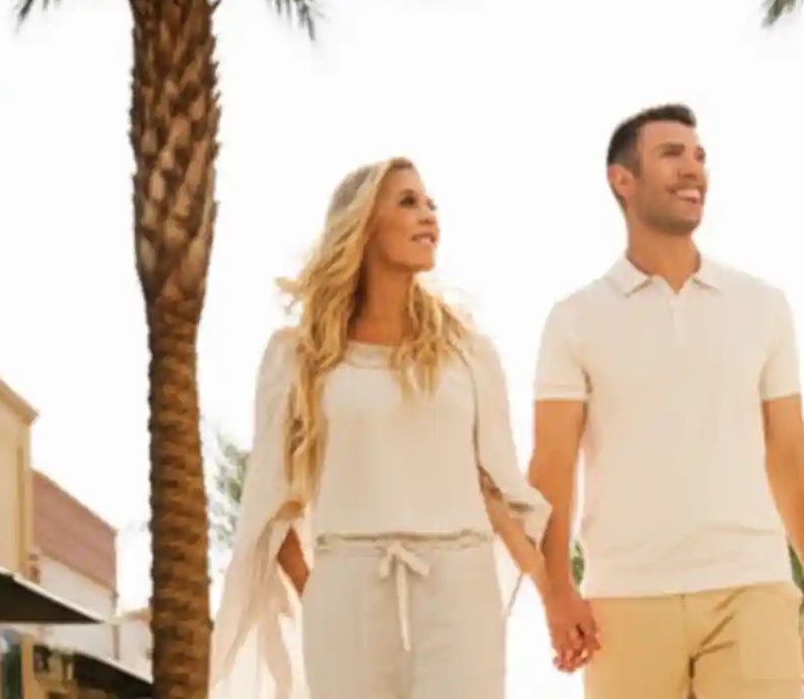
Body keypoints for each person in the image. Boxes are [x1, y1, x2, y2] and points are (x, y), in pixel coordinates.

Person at [527, 104, 804, 698]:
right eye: (671, 155)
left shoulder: (762, 305)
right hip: (624, 598)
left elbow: (790, 455)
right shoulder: (575, 320)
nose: (693, 169)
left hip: (751, 586)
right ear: (622, 180)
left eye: (699, 157)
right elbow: (550, 468)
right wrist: (556, 592)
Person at [208, 157, 552, 699]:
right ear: (364, 223)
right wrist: (315, 590)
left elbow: (496, 488)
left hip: (458, 587)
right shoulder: (299, 356)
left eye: (431, 204)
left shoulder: (467, 353)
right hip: (348, 588)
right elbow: (271, 496)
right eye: (408, 201)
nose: (429, 216)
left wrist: (554, 594)